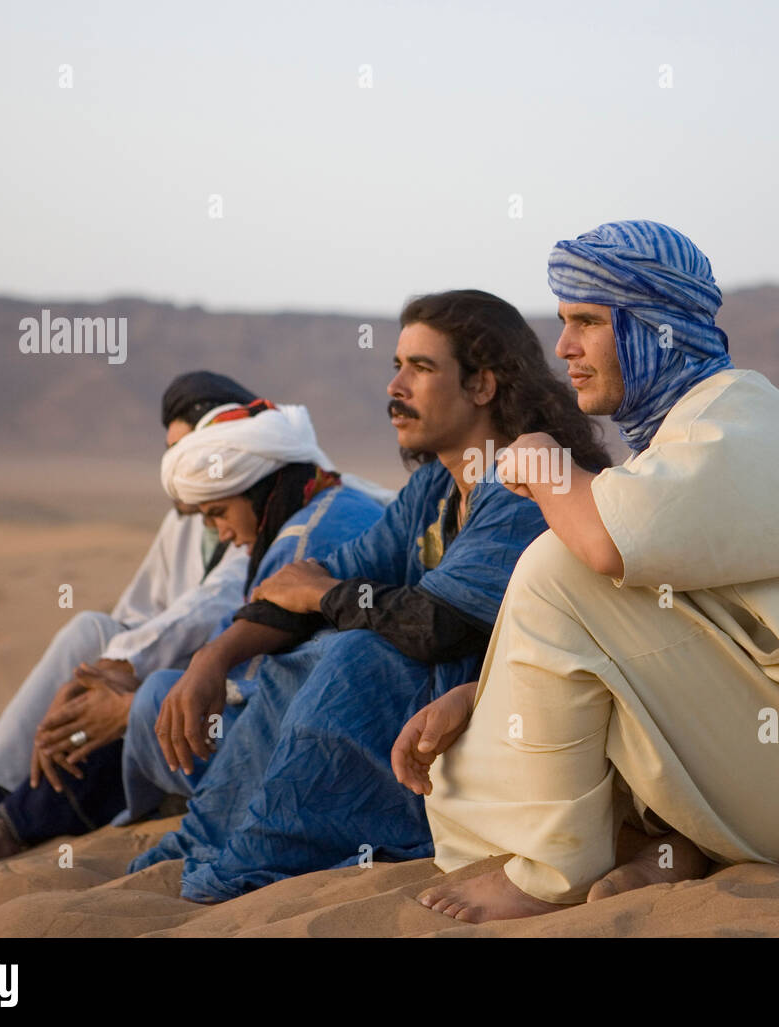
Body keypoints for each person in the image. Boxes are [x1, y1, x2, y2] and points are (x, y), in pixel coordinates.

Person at [394, 220, 779, 922]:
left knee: (559, 565)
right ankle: (677, 848)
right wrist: (481, 697)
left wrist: (549, 464)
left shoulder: (734, 422)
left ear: (654, 327)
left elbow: (605, 547)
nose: (564, 348)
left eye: (586, 321)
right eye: (562, 321)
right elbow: (657, 618)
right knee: (480, 746)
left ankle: (551, 871)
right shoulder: (687, 430)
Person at [122, 289, 612, 903]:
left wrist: (326, 596)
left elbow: (440, 627)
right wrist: (213, 659)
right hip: (435, 717)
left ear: (483, 385)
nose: (396, 386)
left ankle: (262, 856)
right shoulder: (434, 488)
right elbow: (300, 585)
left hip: (497, 725)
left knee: (353, 656)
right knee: (292, 655)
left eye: (422, 368)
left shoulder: (519, 482)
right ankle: (206, 838)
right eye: (396, 367)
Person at [0, 398, 390, 864]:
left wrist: (139, 700)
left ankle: (12, 828)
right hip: (307, 717)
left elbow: (267, 679)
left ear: (261, 488)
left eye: (219, 513)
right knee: (131, 682)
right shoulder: (321, 509)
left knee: (162, 701)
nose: (220, 532)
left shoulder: (303, 537)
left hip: (323, 744)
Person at [0, 371, 255, 868]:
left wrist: (118, 672)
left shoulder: (267, 508)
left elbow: (216, 604)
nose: (172, 464)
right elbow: (139, 611)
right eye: (168, 450)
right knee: (89, 631)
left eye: (184, 449)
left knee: (121, 690)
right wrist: (97, 674)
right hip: (154, 674)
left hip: (219, 691)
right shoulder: (182, 519)